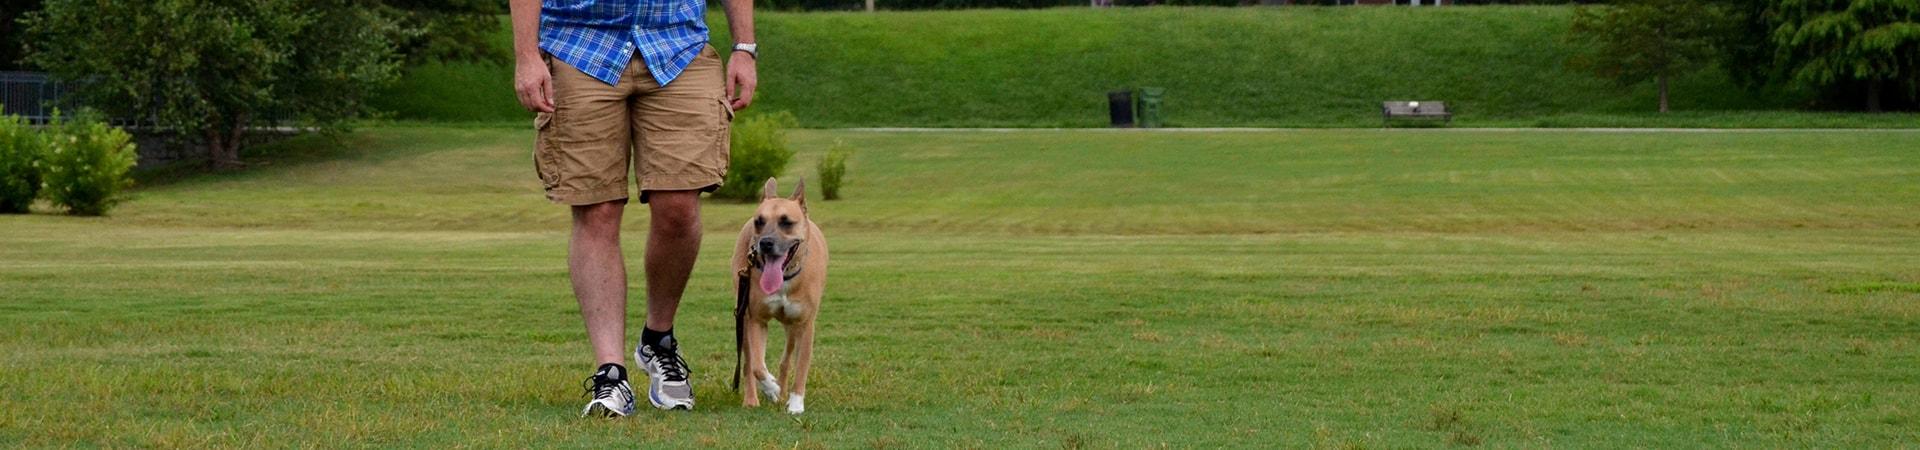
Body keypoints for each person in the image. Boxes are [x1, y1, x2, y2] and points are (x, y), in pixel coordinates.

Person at [508, 0, 758, 417]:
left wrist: (744, 48)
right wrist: (526, 55)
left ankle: (658, 340)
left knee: (678, 207)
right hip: (580, 45)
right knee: (597, 209)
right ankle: (611, 375)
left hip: (677, 45)